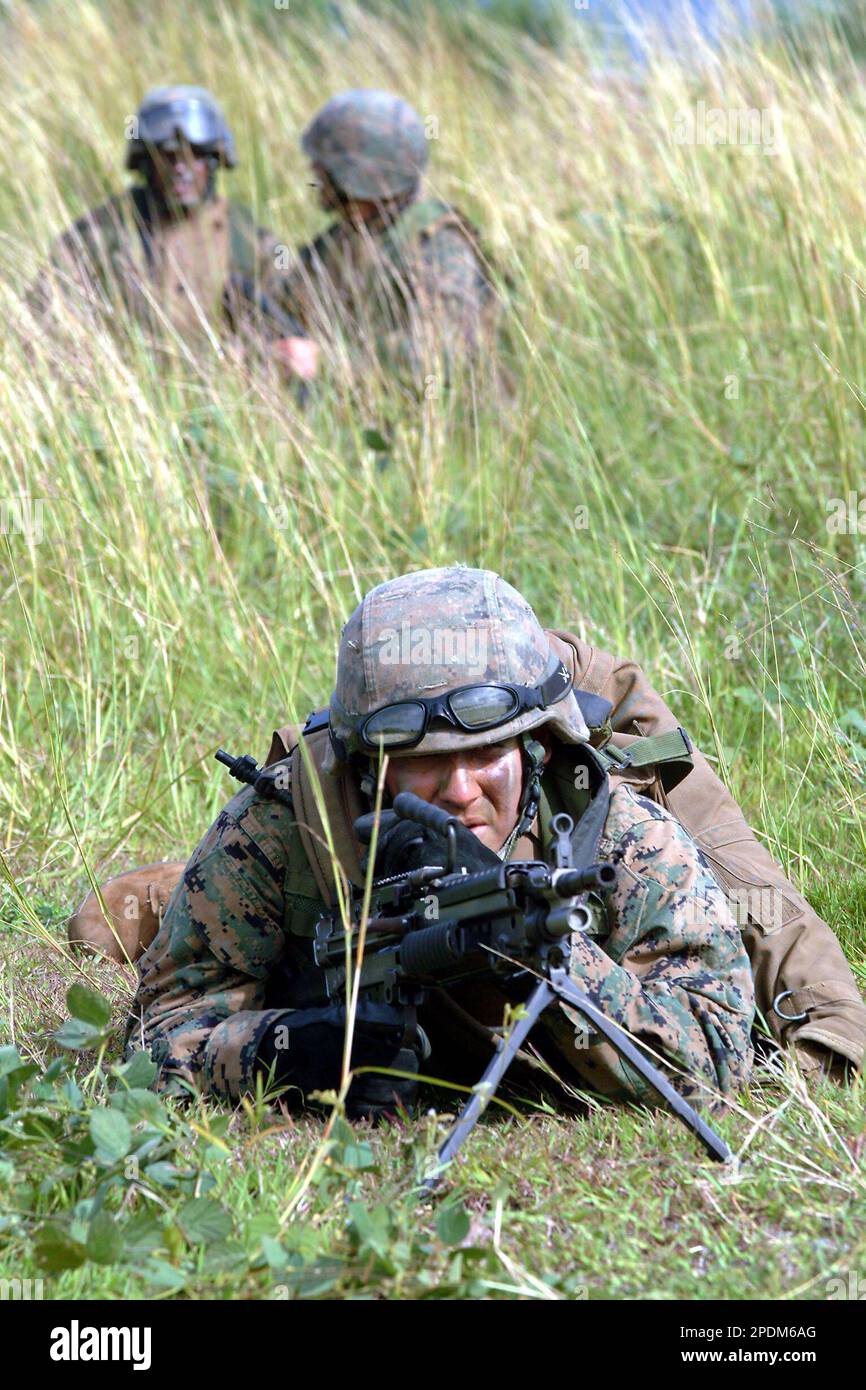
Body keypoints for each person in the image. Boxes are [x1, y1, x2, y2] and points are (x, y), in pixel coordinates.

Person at [116, 567, 758, 1119]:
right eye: (422, 760)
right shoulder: (289, 823)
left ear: (533, 748)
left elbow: (714, 1057)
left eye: (486, 752)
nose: (458, 789)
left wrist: (541, 949)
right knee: (110, 921)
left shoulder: (614, 833)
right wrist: (290, 1050)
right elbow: (157, 1037)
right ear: (367, 764)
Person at [25, 85, 317, 379]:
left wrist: (259, 358)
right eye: (168, 156)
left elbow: (300, 329)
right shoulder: (99, 235)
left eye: (197, 156)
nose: (181, 168)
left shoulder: (251, 240)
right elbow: (43, 320)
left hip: (227, 396)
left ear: (216, 161)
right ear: (146, 163)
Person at [270, 89, 502, 394]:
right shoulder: (342, 240)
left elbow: (442, 353)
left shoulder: (438, 245)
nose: (316, 173)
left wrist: (329, 362)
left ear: (360, 175)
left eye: (327, 167)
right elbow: (290, 304)